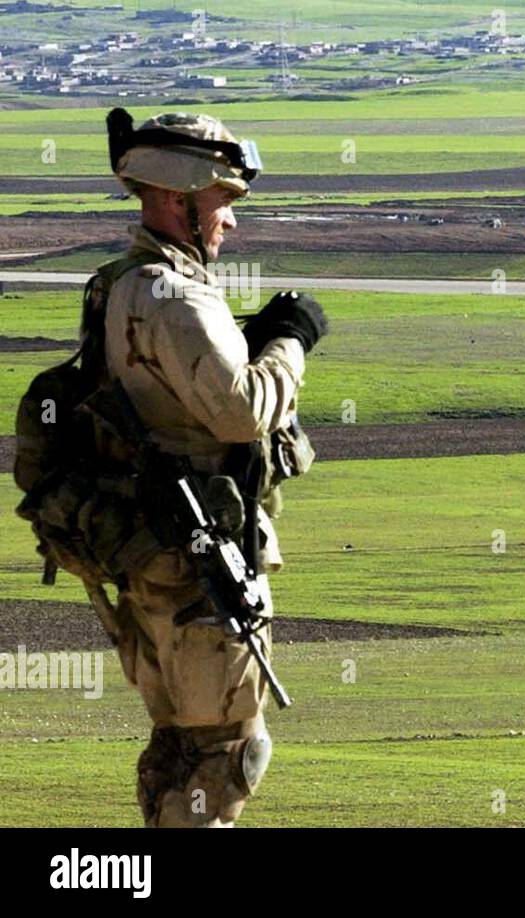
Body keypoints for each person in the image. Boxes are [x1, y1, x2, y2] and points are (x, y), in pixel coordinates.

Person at [87, 109, 327, 827]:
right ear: (180, 197)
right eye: (222, 203)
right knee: (227, 756)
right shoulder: (176, 295)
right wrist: (290, 342)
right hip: (199, 568)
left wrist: (242, 339)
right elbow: (241, 413)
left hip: (153, 556)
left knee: (179, 748)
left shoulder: (122, 284)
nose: (230, 222)